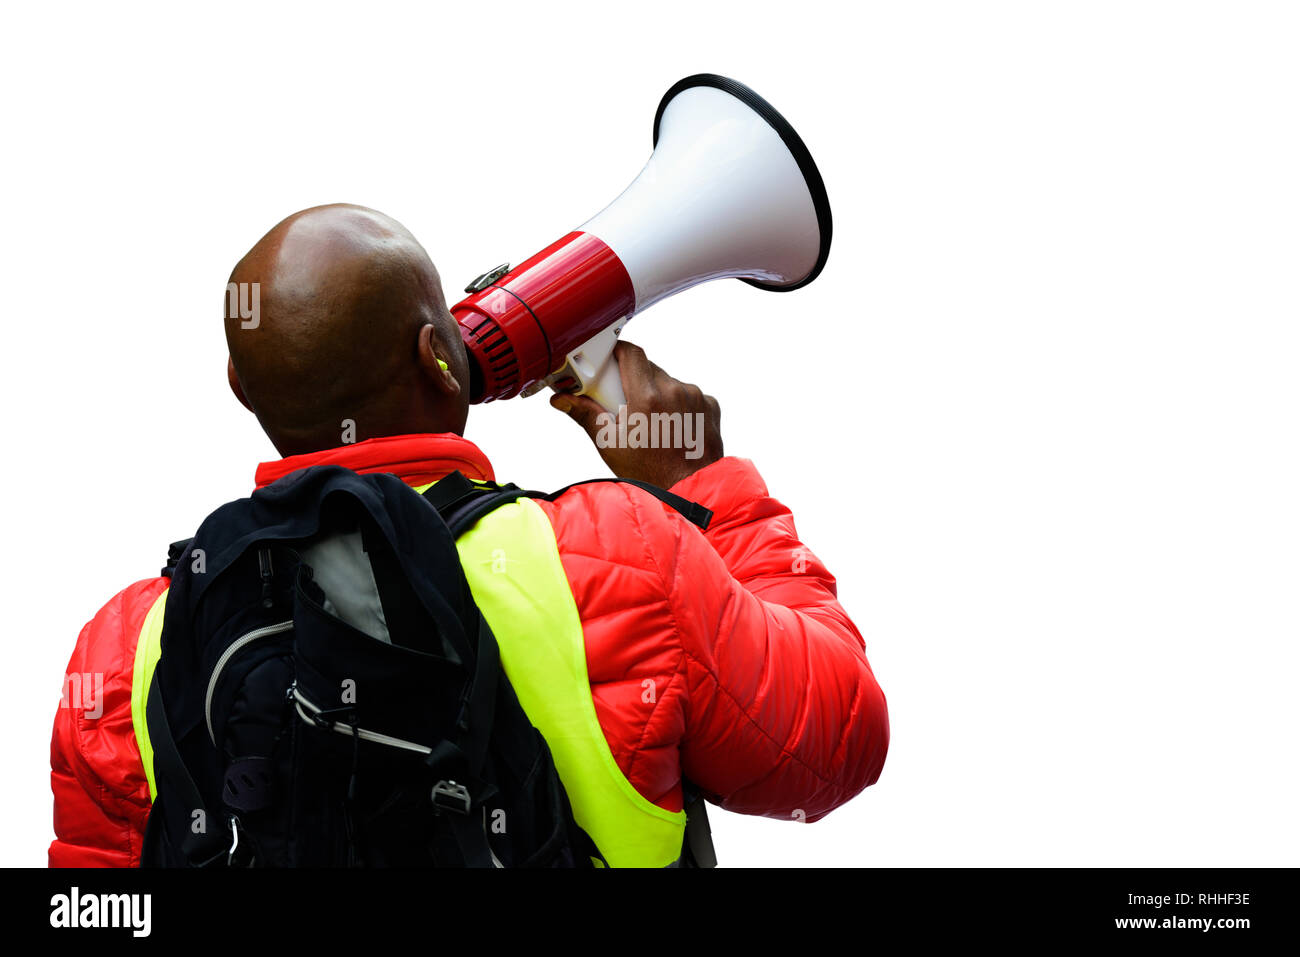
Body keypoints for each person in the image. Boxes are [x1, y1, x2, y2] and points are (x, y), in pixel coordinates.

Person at [49, 203, 889, 867]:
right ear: (438, 358)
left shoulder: (126, 648)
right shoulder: (616, 552)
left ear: (239, 385)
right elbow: (839, 734)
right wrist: (701, 480)